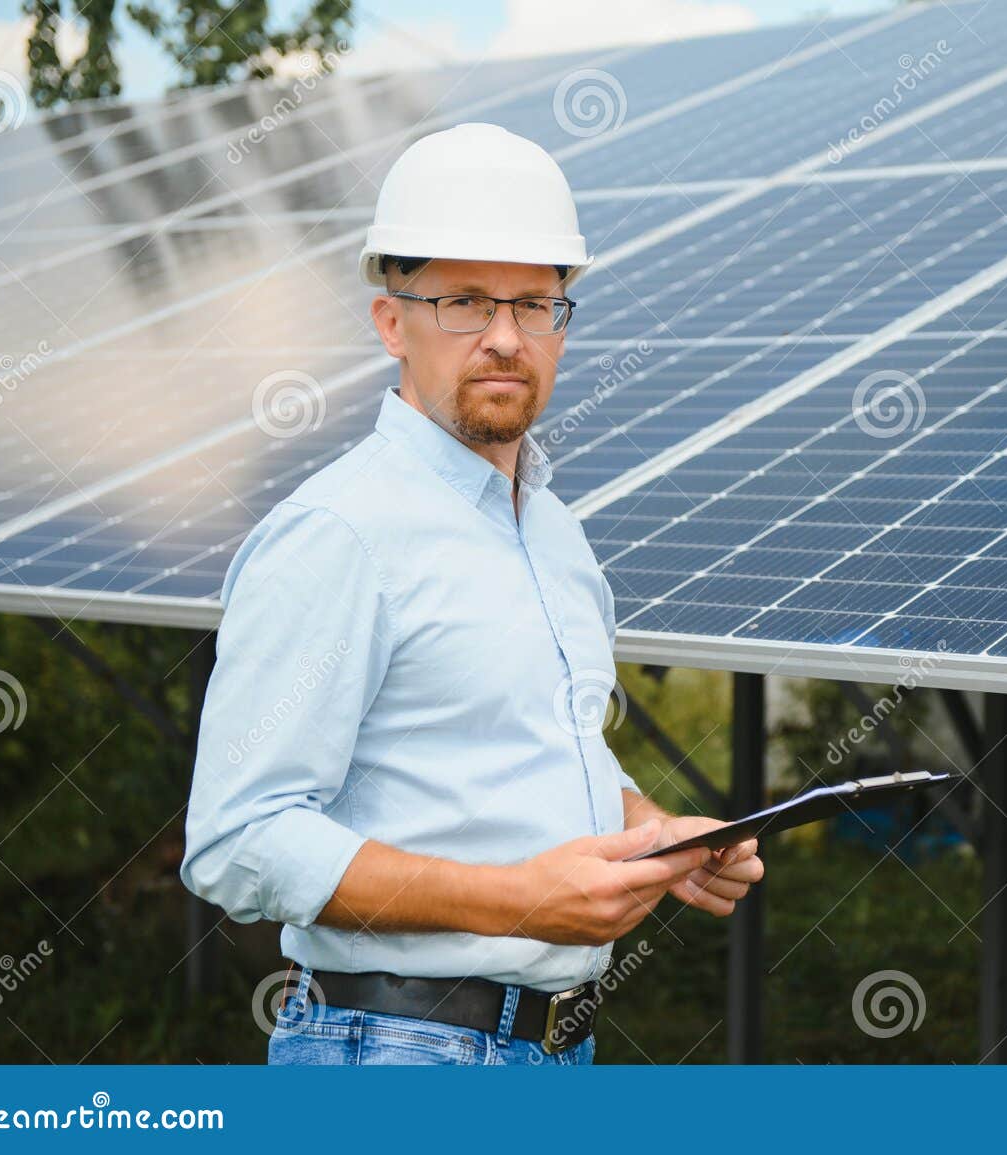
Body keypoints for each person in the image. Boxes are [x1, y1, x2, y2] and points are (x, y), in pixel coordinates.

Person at [180, 122, 763, 1067]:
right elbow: (237, 838)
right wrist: (519, 899)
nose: (504, 338)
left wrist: (654, 833)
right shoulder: (340, 533)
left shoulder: (557, 536)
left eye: (536, 305)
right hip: (390, 1051)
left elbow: (523, 755)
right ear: (390, 321)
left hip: (556, 1049)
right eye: (463, 301)